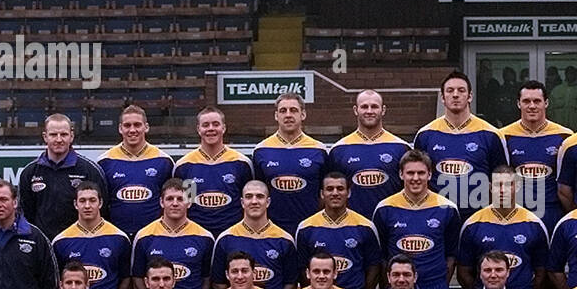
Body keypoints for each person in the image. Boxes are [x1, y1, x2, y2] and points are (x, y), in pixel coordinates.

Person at [413, 70, 510, 223]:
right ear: (443, 98)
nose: (456, 95)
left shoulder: (491, 135)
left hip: (478, 219)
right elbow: (415, 179)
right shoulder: (425, 135)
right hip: (436, 217)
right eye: (450, 91)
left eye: (461, 90)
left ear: (470, 96)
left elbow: (502, 182)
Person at [372, 149, 461, 289]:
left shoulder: (447, 208)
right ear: (401, 174)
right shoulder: (385, 209)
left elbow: (450, 257)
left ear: (429, 174)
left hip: (435, 288)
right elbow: (382, 257)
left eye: (421, 173)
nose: (415, 178)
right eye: (410, 173)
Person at [456, 166, 549, 289]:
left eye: (508, 185)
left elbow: (542, 272)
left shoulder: (534, 224)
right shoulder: (473, 224)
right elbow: (463, 273)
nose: (502, 190)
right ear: (490, 187)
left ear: (517, 187)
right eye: (497, 185)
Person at [18, 113, 109, 240]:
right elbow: (25, 214)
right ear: (45, 137)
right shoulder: (30, 173)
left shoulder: (90, 171)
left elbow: (103, 211)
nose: (59, 139)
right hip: (43, 244)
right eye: (53, 135)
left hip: (79, 242)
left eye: (64, 134)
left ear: (71, 136)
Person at [130, 178, 215, 289]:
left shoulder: (205, 237)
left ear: (189, 202)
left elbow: (206, 282)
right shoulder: (144, 236)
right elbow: (138, 280)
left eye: (180, 199)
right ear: (161, 202)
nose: (175, 203)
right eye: (170, 199)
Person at [51, 181, 132, 289]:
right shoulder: (61, 241)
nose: (87, 206)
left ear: (100, 203)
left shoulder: (119, 238)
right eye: (82, 201)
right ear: (76, 204)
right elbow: (57, 284)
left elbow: (126, 280)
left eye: (92, 200)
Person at [296, 172, 382, 289]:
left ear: (348, 193)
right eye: (330, 189)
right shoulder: (306, 228)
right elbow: (302, 268)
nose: (335, 193)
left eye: (340, 189)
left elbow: (374, 266)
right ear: (322, 194)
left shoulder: (365, 226)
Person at [252, 92, 329, 237]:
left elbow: (325, 194)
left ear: (303, 114)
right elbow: (257, 193)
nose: (288, 115)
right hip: (272, 232)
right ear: (276, 116)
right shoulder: (261, 150)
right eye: (283, 111)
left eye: (293, 110)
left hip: (311, 230)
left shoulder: (319, 150)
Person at [499, 80, 572, 232]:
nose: (532, 106)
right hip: (518, 212)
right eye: (526, 101)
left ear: (546, 103)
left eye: (537, 101)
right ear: (518, 104)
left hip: (552, 210)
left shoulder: (565, 136)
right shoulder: (504, 136)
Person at [173, 106, 254, 237]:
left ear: (224, 128)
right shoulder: (185, 166)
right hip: (196, 237)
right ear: (199, 129)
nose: (211, 128)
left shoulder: (241, 163)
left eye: (215, 124)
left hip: (233, 236)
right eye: (206, 125)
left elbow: (249, 202)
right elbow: (187, 204)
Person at [97, 104, 175, 240]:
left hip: (154, 236)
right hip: (116, 237)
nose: (132, 130)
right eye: (127, 125)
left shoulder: (164, 161)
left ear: (146, 127)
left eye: (137, 125)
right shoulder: (104, 162)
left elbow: (185, 198)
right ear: (120, 128)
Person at [327, 90, 409, 218]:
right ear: (356, 110)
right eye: (364, 107)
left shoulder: (401, 148)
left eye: (374, 107)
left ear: (383, 110)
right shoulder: (339, 150)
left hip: (392, 223)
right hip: (353, 226)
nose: (369, 111)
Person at [211, 180, 298, 289]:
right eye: (249, 197)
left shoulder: (284, 240)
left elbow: (290, 284)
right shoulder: (226, 239)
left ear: (268, 202)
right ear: (242, 202)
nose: (254, 201)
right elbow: (219, 283)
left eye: (260, 197)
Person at [547, 66, 577, 132]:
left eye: (572, 73)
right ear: (565, 74)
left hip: (575, 130)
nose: (570, 75)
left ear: (575, 75)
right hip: (557, 130)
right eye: (568, 73)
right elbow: (550, 110)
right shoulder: (556, 91)